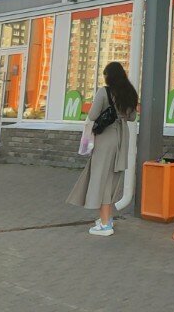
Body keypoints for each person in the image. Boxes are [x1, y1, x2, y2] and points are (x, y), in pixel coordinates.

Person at [67, 62, 138, 236]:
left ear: (109, 76)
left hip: (106, 138)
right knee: (112, 178)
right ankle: (107, 219)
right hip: (122, 138)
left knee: (102, 179)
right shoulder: (130, 93)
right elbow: (132, 117)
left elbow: (92, 115)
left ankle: (105, 225)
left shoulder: (104, 92)